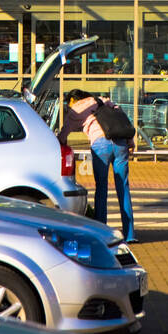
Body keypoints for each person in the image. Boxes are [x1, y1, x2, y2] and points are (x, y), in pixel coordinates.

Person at [59, 88, 136, 243]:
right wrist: (130, 141)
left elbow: (63, 135)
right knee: (123, 187)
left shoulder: (78, 109)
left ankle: (102, 232)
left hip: (101, 146)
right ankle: (130, 235)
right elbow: (121, 118)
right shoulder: (103, 100)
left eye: (69, 103)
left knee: (101, 188)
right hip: (120, 143)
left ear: (74, 100)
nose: (69, 106)